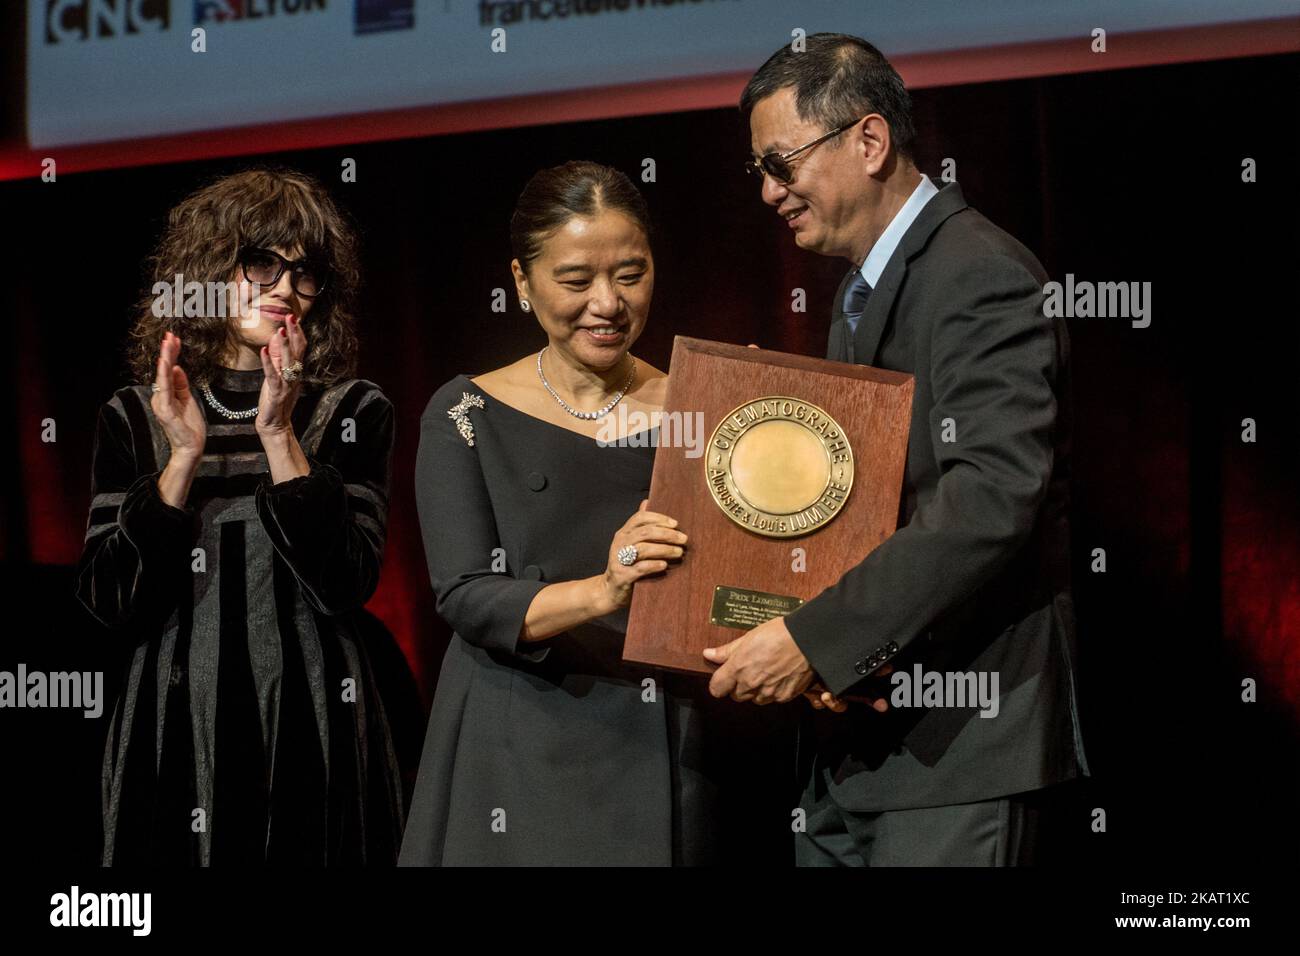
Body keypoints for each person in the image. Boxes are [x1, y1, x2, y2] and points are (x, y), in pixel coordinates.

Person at [704, 34, 1090, 865]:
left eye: (781, 163)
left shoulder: (978, 272)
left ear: (869, 141)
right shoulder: (862, 288)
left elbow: (991, 498)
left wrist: (814, 641)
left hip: (959, 742)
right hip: (863, 737)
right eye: (759, 172)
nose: (770, 192)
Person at [75, 167, 404, 865]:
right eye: (263, 262)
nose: (285, 287)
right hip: (170, 722)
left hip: (312, 716)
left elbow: (346, 581)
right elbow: (109, 601)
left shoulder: (350, 409)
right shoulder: (136, 416)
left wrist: (281, 434)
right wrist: (183, 457)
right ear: (207, 267)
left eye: (305, 272)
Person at [399, 161, 724, 866]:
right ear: (521, 281)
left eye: (630, 274)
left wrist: (763, 420)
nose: (606, 303)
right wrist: (604, 590)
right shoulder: (466, 413)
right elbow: (466, 594)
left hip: (664, 733)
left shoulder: (701, 409)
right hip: (518, 734)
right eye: (576, 280)